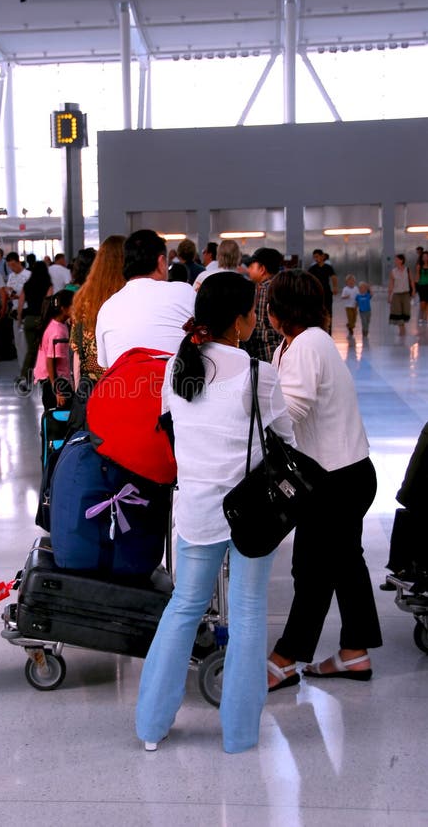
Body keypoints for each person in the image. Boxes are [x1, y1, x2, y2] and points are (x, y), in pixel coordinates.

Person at [136, 272, 294, 754]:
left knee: (184, 607)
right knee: (247, 612)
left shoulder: (176, 368)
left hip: (198, 507)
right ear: (242, 320)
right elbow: (286, 433)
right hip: (251, 512)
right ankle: (240, 735)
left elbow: (172, 424)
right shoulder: (257, 372)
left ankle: (150, 726)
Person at [266, 270, 382, 690]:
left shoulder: (307, 345)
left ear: (281, 310)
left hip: (335, 478)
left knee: (312, 569)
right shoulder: (297, 344)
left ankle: (283, 660)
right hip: (345, 472)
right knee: (345, 563)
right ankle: (355, 653)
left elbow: (290, 412)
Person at [96, 230, 195, 368]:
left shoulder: (106, 308)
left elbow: (106, 365)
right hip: (179, 387)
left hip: (125, 387)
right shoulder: (185, 292)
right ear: (161, 263)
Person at [69, 235, 125, 420]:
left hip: (92, 390)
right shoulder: (128, 296)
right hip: (126, 385)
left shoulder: (82, 299)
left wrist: (79, 392)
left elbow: (78, 354)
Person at [240, 247, 283, 362]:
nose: (248, 270)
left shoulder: (265, 289)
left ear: (262, 269)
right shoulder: (279, 286)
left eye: (251, 266)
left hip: (266, 349)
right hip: (279, 345)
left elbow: (260, 324)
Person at [33, 290, 74, 411]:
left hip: (50, 379)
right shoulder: (58, 332)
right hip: (55, 380)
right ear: (63, 308)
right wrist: (58, 391)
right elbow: (50, 360)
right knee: (60, 417)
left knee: (53, 415)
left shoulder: (55, 323)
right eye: (74, 305)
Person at [15, 261, 53, 390]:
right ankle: (45, 377)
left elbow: (20, 304)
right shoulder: (48, 285)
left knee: (31, 351)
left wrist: (20, 319)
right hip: (42, 321)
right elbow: (48, 303)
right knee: (45, 350)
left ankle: (25, 378)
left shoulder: (27, 285)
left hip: (29, 320)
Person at [5, 252, 31, 371]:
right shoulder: (11, 276)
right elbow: (9, 290)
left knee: (27, 343)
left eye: (14, 265)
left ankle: (30, 368)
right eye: (9, 266)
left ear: (18, 262)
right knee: (18, 343)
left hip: (26, 310)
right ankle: (22, 369)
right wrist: (10, 293)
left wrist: (19, 295)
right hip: (15, 311)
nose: (12, 268)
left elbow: (29, 293)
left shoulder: (28, 275)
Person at [308, 249, 337, 333]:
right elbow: (308, 279)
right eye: (314, 257)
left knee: (328, 312)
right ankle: (319, 330)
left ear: (322, 256)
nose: (316, 259)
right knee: (317, 312)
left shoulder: (328, 267)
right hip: (316, 294)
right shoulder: (312, 268)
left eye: (317, 257)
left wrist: (335, 287)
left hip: (327, 293)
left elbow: (333, 277)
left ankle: (328, 331)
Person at [388, 253, 415, 336]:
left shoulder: (407, 270)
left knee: (406, 311)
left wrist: (413, 290)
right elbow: (391, 284)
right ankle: (401, 329)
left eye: (397, 259)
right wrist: (389, 296)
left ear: (401, 260)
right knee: (397, 311)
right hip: (396, 294)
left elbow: (411, 280)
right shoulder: (393, 272)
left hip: (406, 293)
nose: (395, 261)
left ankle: (403, 326)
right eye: (395, 259)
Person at [415, 250, 428, 326]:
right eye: (424, 256)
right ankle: (421, 316)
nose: (425, 258)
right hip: (422, 286)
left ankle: (425, 318)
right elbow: (417, 276)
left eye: (426, 256)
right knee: (422, 302)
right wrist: (415, 287)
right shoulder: (419, 266)